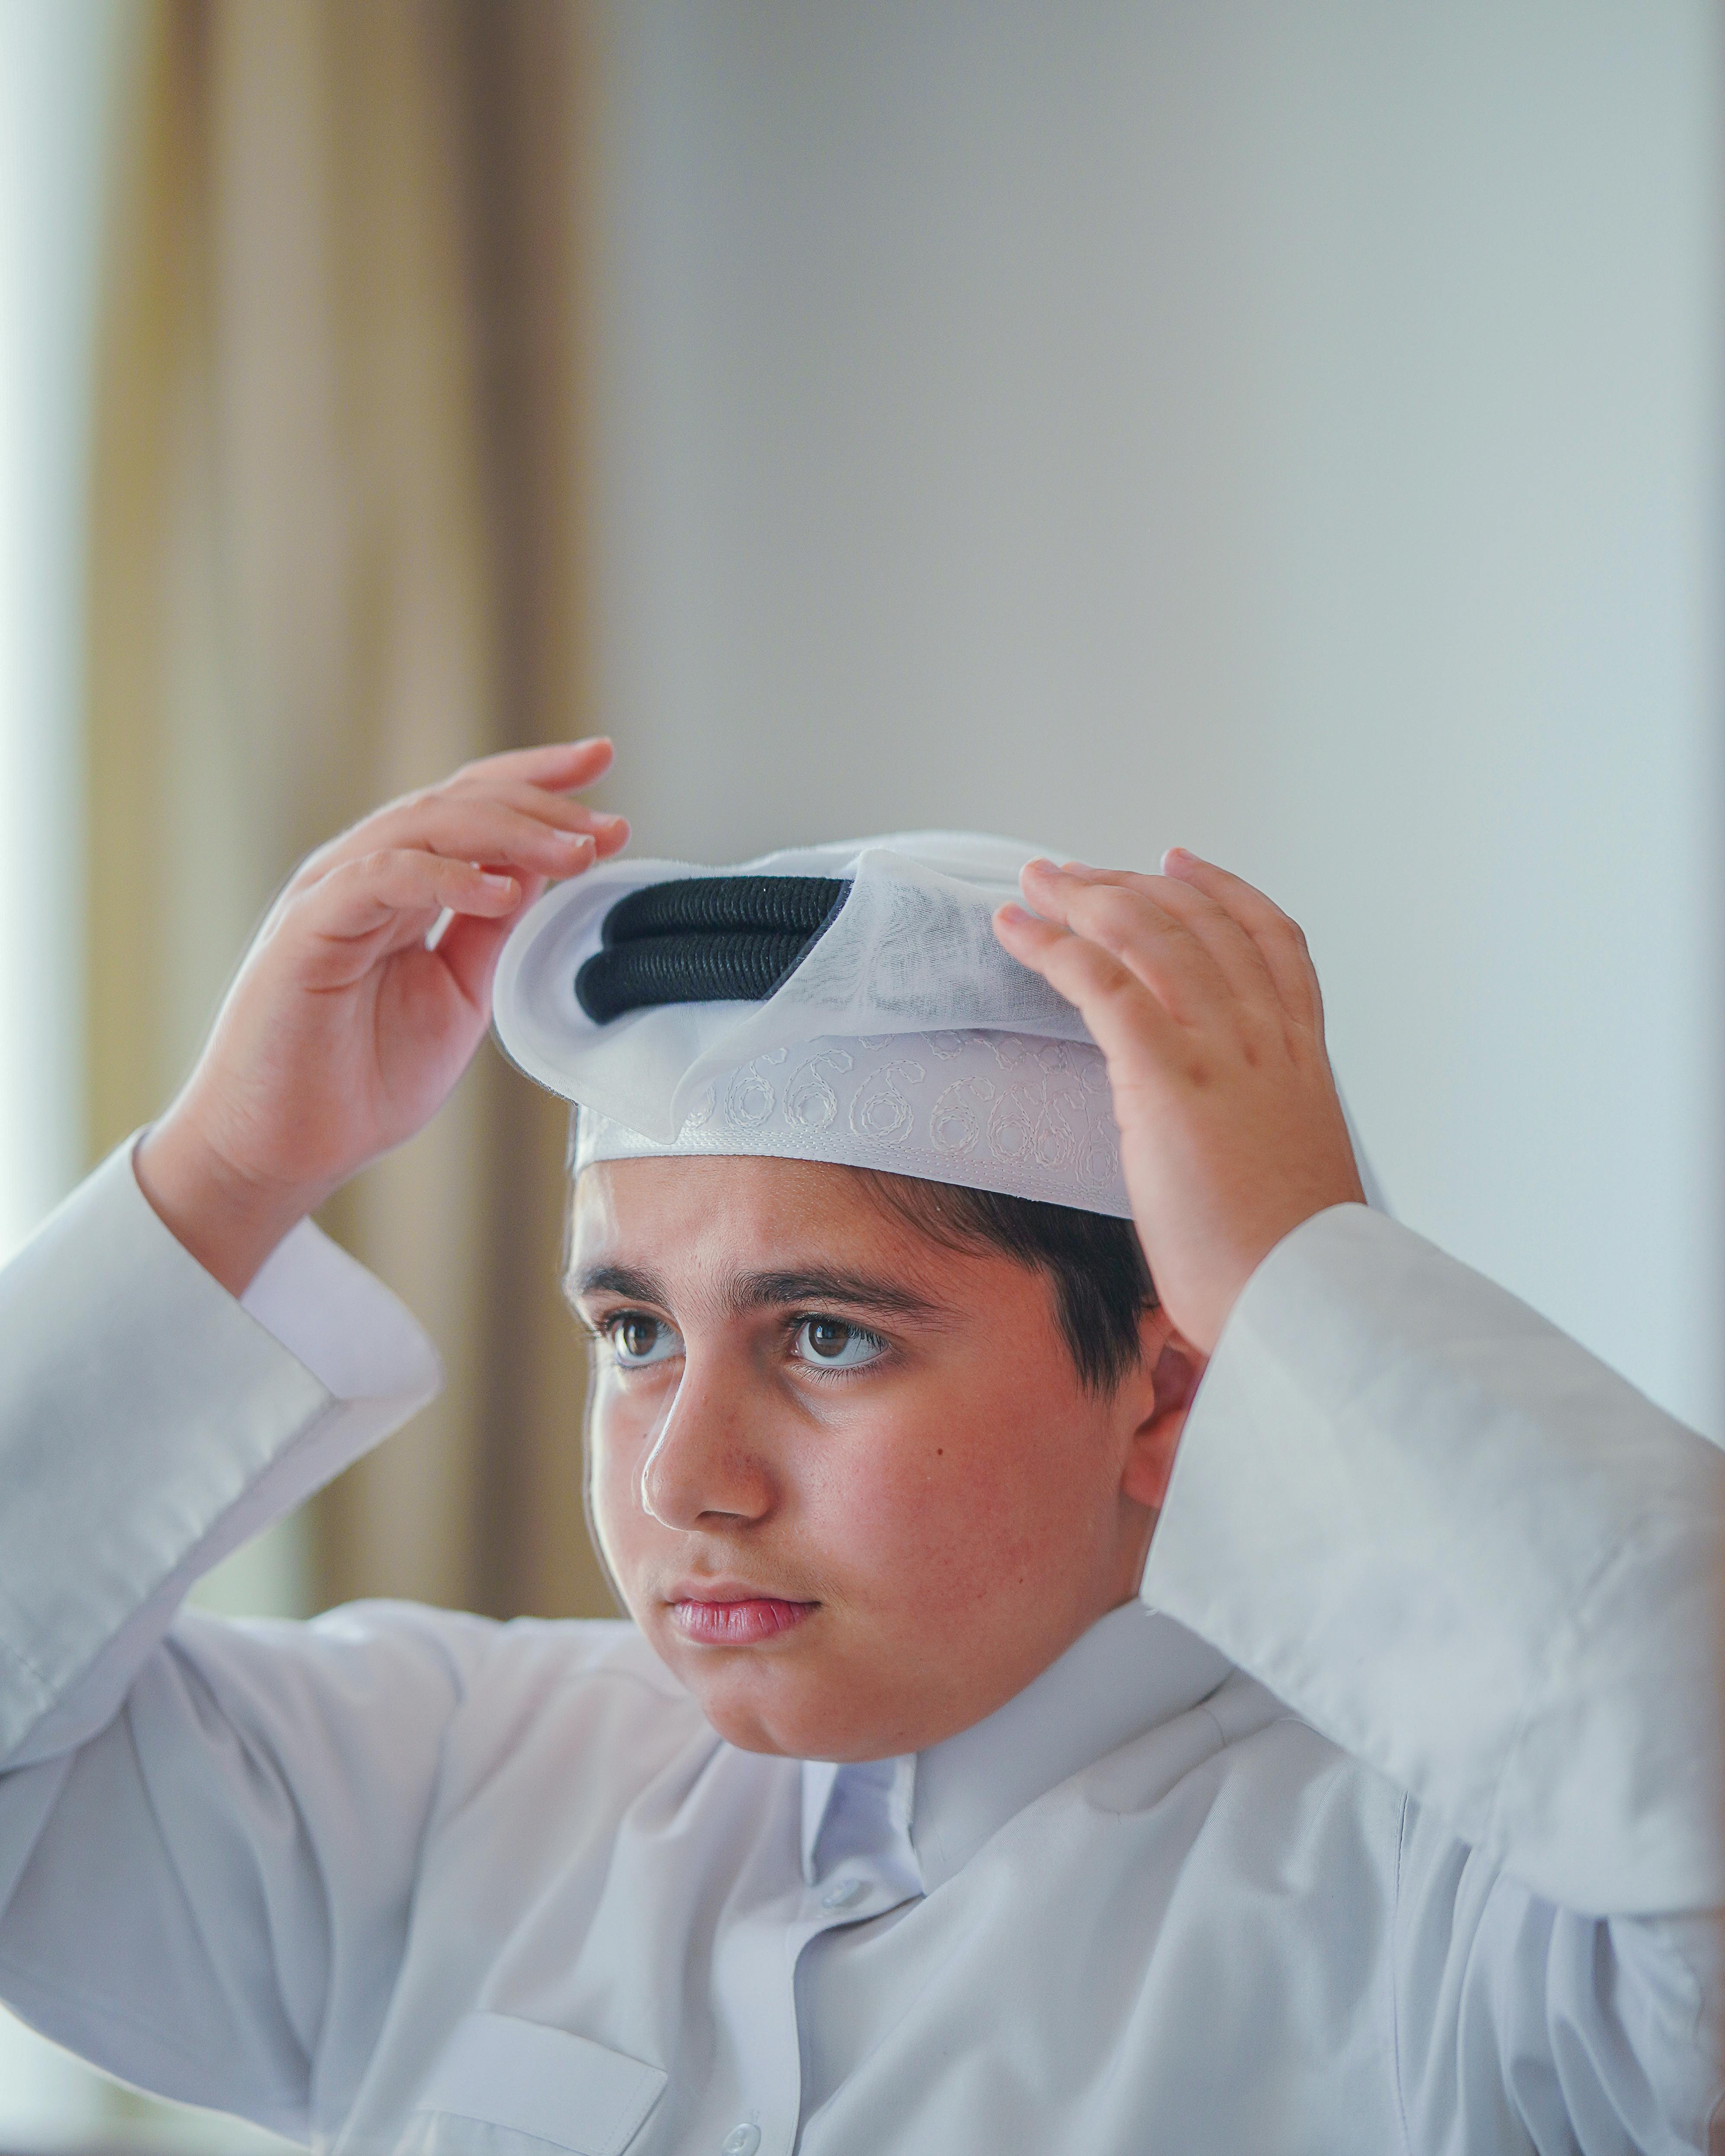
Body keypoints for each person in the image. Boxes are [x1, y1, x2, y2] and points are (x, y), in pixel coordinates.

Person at [0, 738, 1719, 2156]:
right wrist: (222, 1171)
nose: (684, 1478)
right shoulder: (457, 1789)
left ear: (1174, 1387)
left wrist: (1290, 1273)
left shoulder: (1466, 1931)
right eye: (635, 1335)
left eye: (827, 1337)